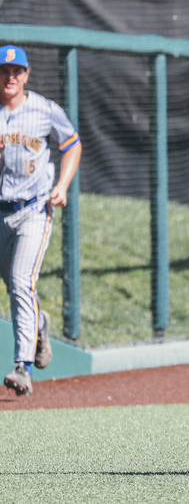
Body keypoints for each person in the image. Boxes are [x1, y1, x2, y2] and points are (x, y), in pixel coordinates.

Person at [0, 45, 82, 397]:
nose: (11, 76)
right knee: (14, 286)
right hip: (1, 211)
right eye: (5, 70)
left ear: (27, 75)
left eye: (17, 71)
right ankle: (39, 325)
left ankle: (23, 367)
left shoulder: (44, 109)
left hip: (34, 209)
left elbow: (72, 143)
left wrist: (62, 185)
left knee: (21, 281)